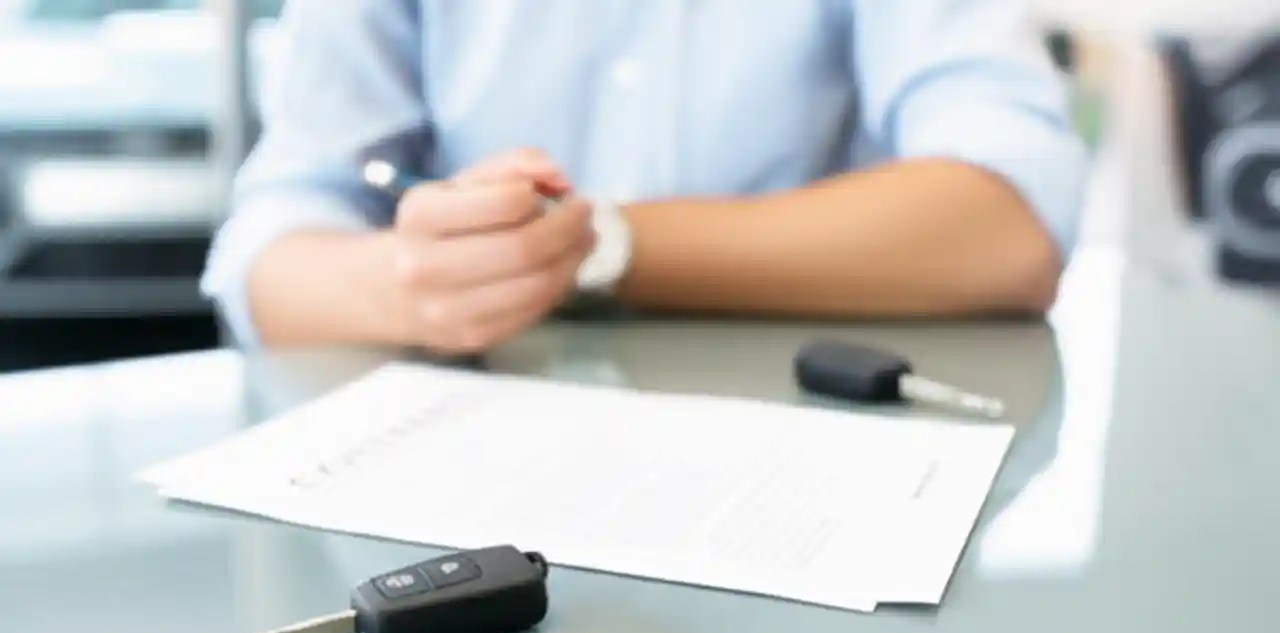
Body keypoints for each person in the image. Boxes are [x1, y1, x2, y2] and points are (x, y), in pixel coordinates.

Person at [203, 0, 1087, 354]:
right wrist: (412, 281)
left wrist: (602, 244)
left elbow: (1011, 222)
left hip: (812, 459)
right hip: (466, 452)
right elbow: (268, 250)